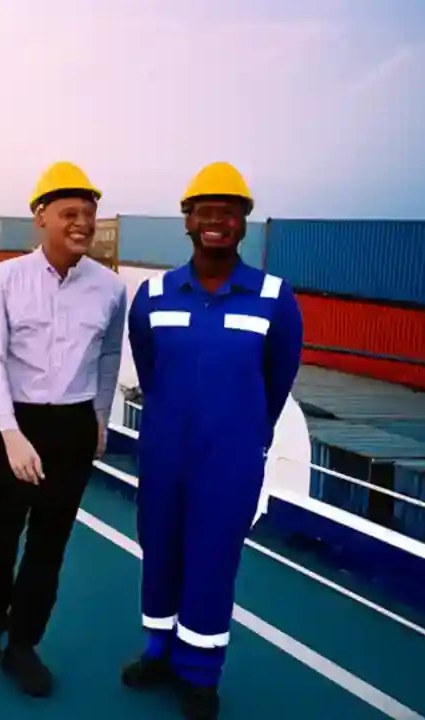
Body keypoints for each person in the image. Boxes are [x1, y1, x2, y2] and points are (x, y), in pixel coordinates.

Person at [119, 162, 303, 719]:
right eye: (205, 211)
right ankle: (159, 651)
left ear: (245, 223)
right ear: (188, 221)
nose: (217, 221)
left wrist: (240, 432)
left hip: (230, 460)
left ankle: (199, 674)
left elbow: (278, 381)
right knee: (161, 551)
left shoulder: (274, 297)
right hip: (165, 453)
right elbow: (149, 372)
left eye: (230, 212)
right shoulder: (152, 295)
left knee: (212, 560)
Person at [0, 162, 127, 697]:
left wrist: (100, 416)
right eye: (70, 213)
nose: (82, 223)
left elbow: (107, 357)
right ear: (42, 217)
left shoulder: (109, 288)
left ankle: (23, 644)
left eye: (89, 213)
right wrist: (10, 433)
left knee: (50, 543)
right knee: (1, 532)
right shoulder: (6, 279)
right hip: (19, 419)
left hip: (74, 424)